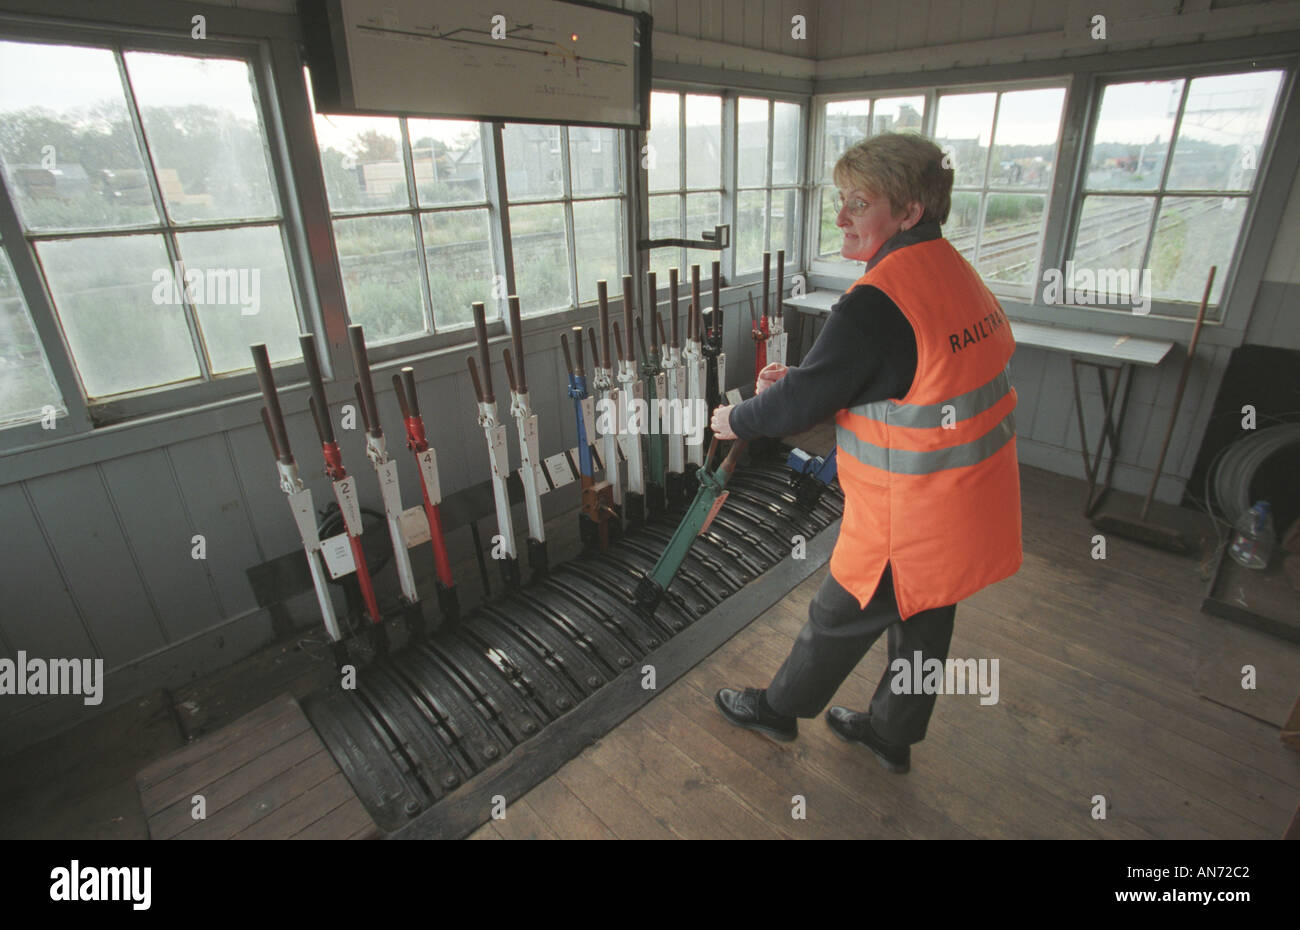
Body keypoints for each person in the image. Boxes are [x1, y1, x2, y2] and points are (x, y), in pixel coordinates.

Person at [709, 132, 1022, 773]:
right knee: (926, 622)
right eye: (840, 200)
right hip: (969, 498)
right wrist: (807, 378)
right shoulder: (952, 270)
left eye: (859, 202)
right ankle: (889, 731)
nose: (841, 216)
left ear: (909, 211)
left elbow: (804, 405)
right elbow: (898, 376)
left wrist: (735, 418)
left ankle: (777, 711)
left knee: (837, 613)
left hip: (909, 511)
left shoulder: (878, 299)